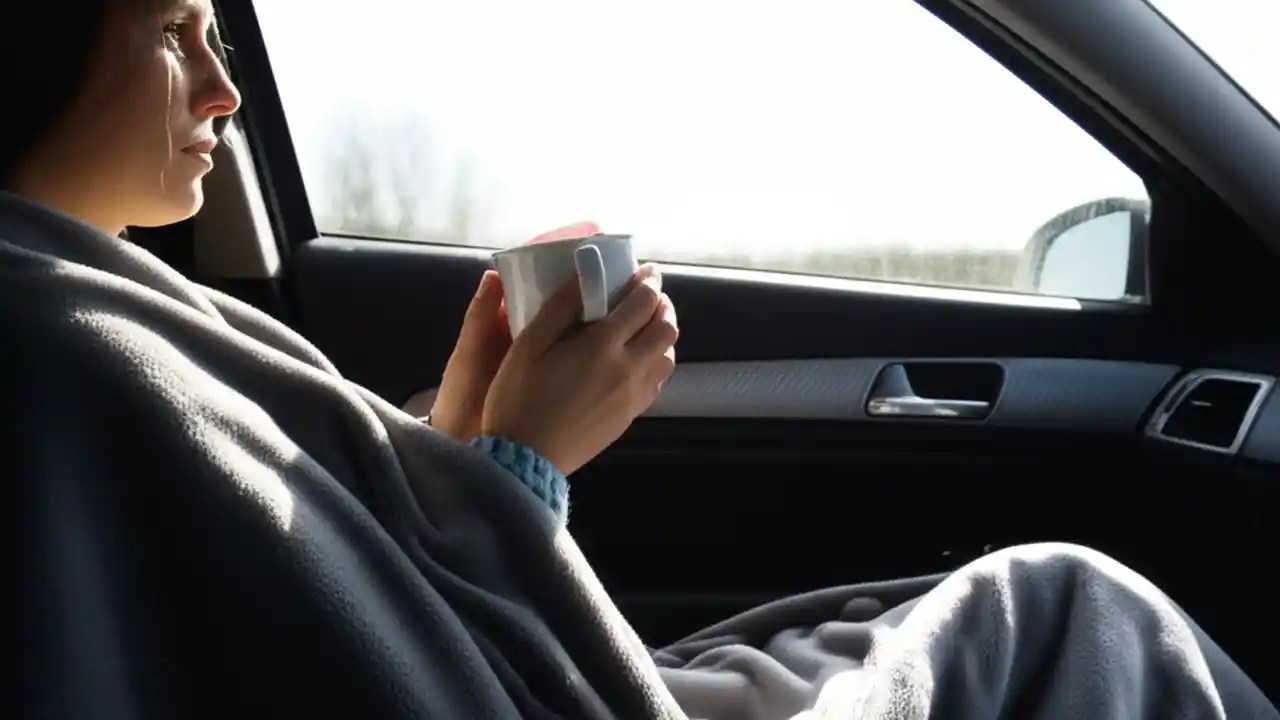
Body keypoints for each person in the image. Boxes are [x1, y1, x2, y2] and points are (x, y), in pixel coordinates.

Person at [4, 2, 1274, 719]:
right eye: (176, 31)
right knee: (1063, 614)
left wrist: (449, 451)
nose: (221, 89)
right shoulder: (74, 359)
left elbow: (302, 622)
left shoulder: (97, 315)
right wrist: (514, 468)